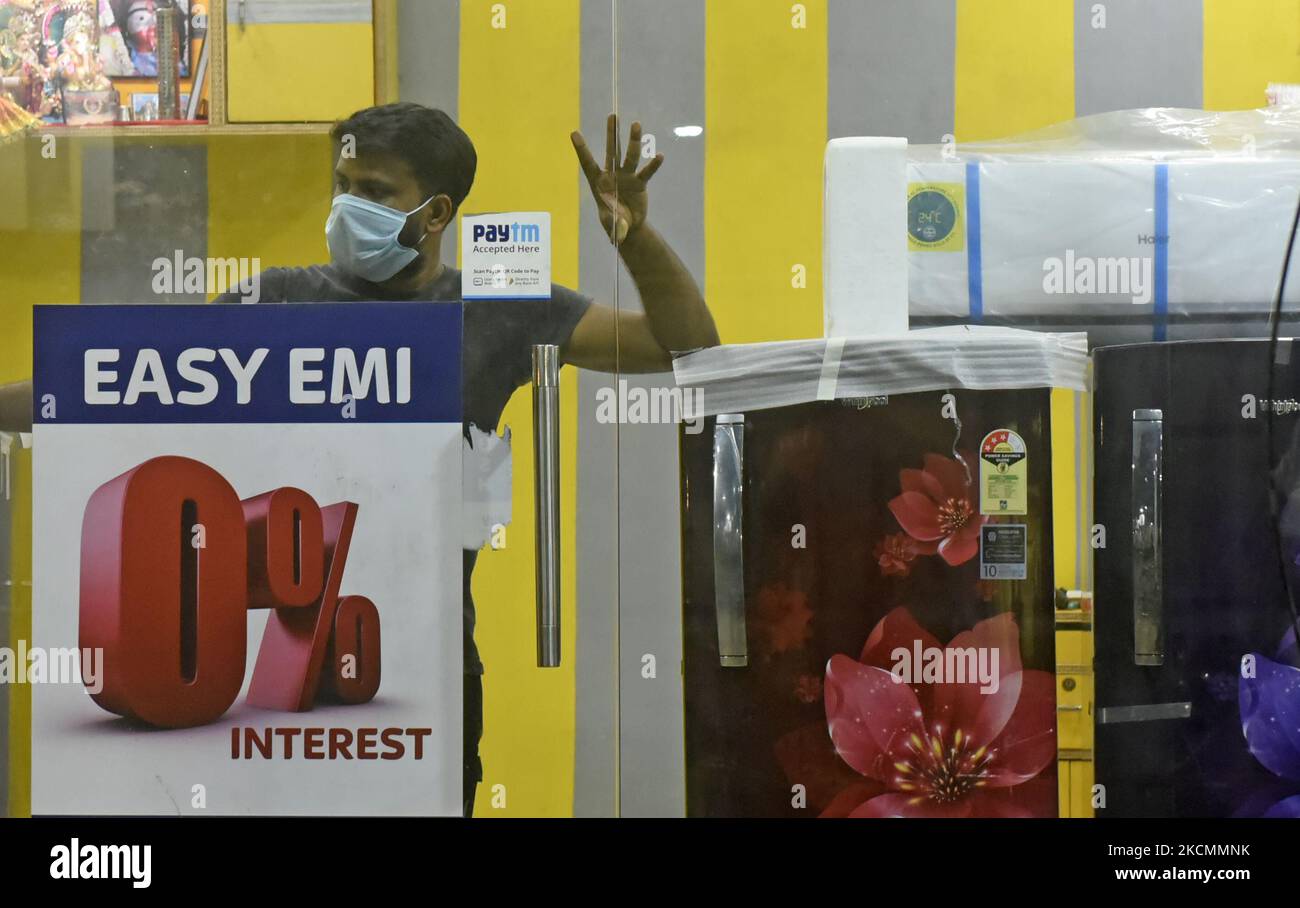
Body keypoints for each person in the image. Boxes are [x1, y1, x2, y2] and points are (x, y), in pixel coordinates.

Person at [0, 101, 720, 818]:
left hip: (424, 672)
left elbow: (680, 347)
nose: (349, 206)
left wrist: (636, 237)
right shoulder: (274, 301)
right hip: (255, 675)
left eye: (375, 193)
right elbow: (106, 385)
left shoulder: (501, 308)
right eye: (343, 184)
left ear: (435, 213)